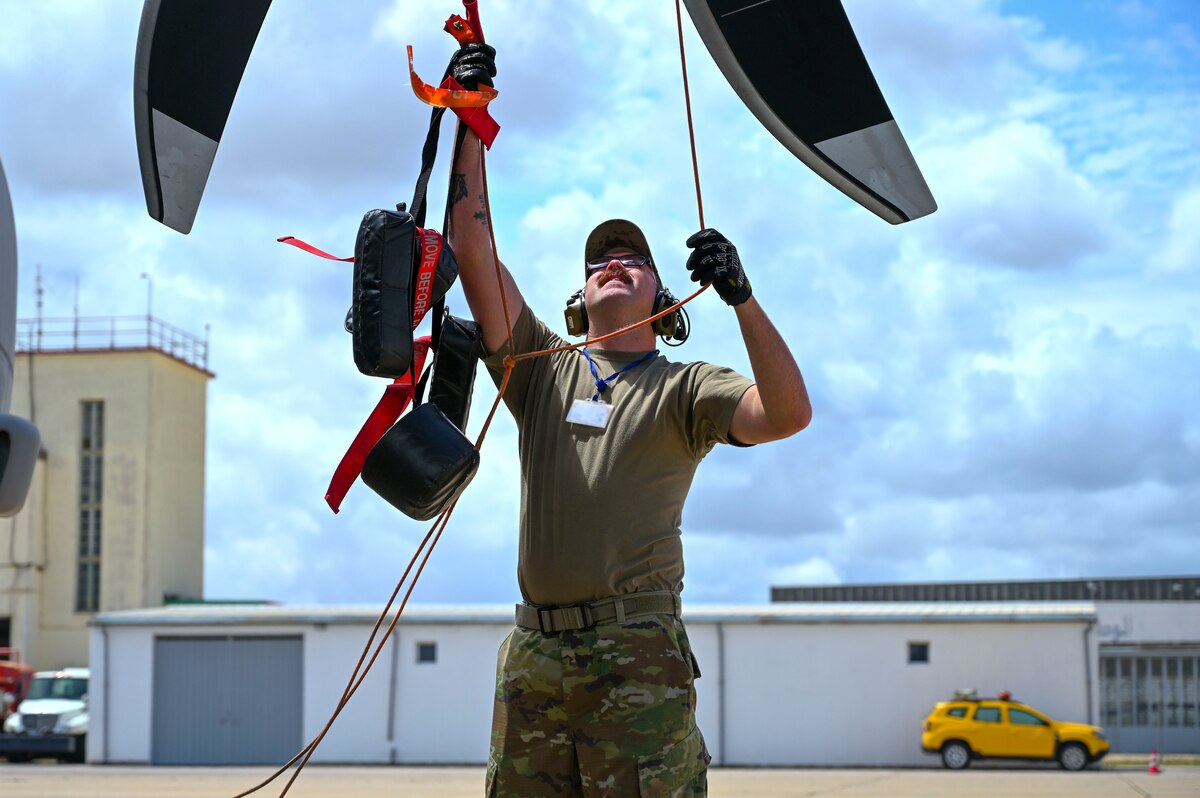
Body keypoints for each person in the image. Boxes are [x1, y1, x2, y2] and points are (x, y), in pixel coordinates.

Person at [446, 43, 811, 797]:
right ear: (580, 297)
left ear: (661, 295)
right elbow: (471, 246)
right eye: (598, 259)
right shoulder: (541, 367)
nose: (613, 261)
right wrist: (469, 113)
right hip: (535, 655)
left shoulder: (686, 388)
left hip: (636, 651)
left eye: (632, 258)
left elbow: (786, 414)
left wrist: (742, 298)